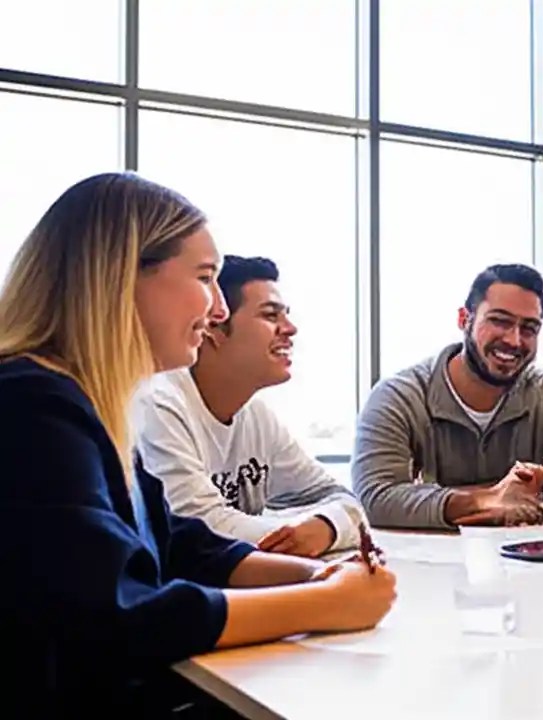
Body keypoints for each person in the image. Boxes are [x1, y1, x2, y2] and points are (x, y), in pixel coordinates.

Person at [0, 173, 396, 715]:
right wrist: (322, 603)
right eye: (206, 278)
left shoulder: (87, 404)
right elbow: (117, 616)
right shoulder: (32, 408)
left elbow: (175, 542)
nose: (215, 311)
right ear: (121, 276)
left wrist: (310, 572)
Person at [135, 255, 366, 558]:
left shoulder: (256, 415)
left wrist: (328, 526)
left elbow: (345, 500)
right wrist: (301, 532)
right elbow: (201, 528)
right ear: (214, 328)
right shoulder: (158, 403)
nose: (290, 329)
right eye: (271, 316)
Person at [353, 263, 543, 529]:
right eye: (500, 321)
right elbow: (376, 498)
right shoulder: (399, 396)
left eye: (529, 328)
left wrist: (525, 508)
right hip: (429, 563)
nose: (514, 340)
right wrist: (489, 498)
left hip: (524, 561)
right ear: (465, 319)